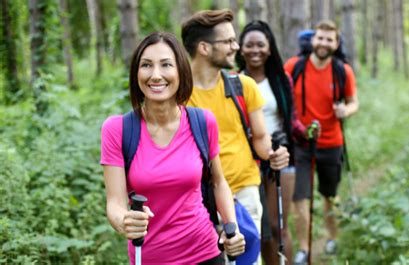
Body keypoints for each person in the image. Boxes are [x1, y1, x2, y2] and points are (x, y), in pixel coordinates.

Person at [100, 31, 245, 264]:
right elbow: (115, 203)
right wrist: (124, 220)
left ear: (180, 72)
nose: (156, 75)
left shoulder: (202, 122)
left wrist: (232, 229)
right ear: (136, 73)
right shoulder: (117, 129)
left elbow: (218, 182)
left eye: (166, 65)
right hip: (148, 257)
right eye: (146, 65)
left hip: (205, 252)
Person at [181, 9, 290, 264]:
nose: (236, 47)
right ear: (204, 48)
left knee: (246, 262)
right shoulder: (179, 94)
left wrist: (273, 154)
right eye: (228, 41)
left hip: (244, 192)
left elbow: (260, 138)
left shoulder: (244, 86)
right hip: (198, 200)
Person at [284, 20, 359, 263]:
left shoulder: (342, 71)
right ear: (312, 40)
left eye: (329, 39)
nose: (324, 43)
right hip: (301, 142)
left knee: (329, 195)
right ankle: (304, 249)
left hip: (332, 142)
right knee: (299, 197)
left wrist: (345, 112)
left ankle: (331, 238)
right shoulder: (294, 66)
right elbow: (279, 94)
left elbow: (353, 101)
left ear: (336, 44)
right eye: (320, 38)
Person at [235, 20, 301, 264]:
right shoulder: (233, 81)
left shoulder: (281, 80)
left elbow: (291, 118)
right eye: (249, 45)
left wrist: (306, 134)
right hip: (247, 160)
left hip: (279, 157)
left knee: (278, 225)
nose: (255, 50)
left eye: (261, 45)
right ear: (240, 48)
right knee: (258, 228)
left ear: (270, 48)